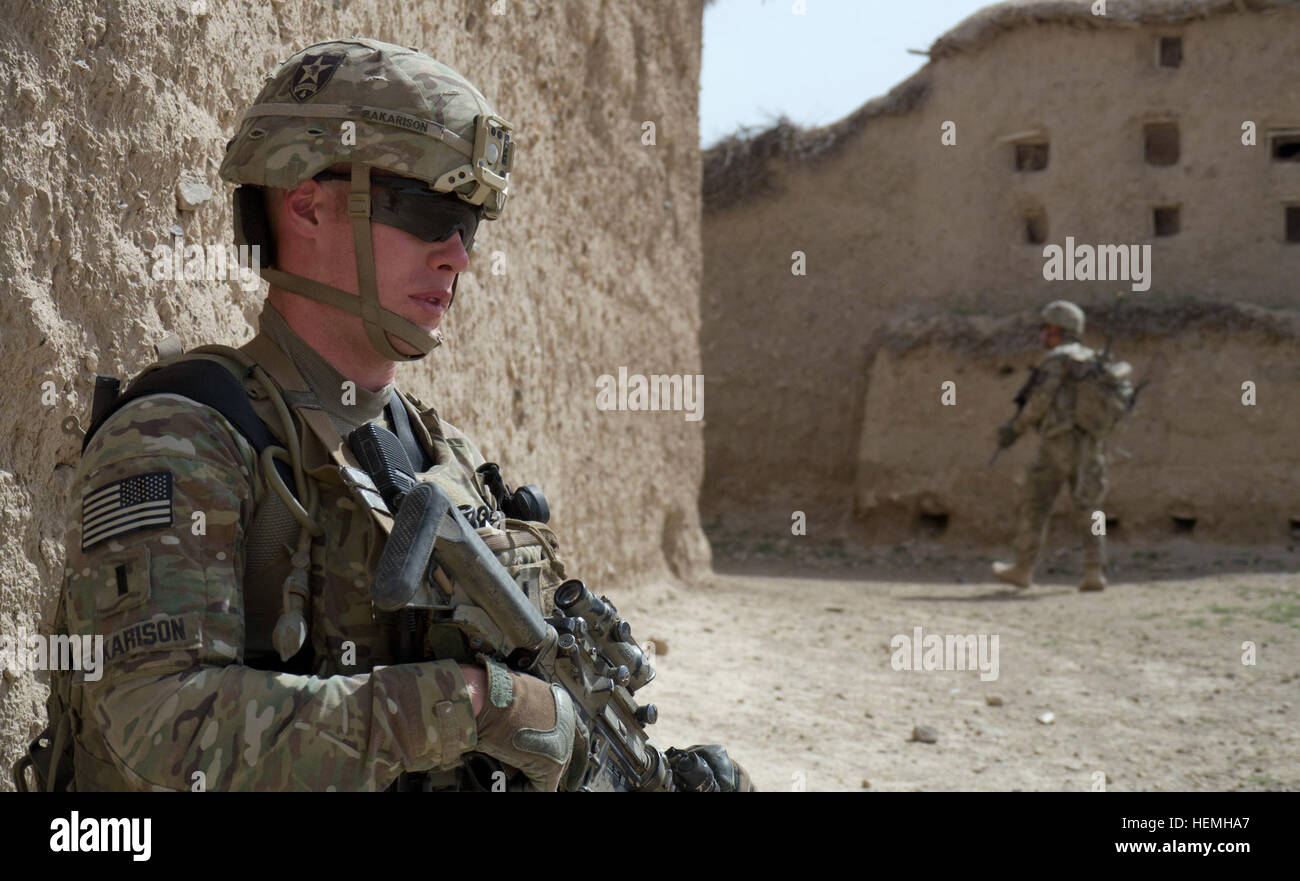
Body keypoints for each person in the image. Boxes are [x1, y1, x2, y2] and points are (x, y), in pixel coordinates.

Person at [44, 38, 751, 792]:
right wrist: (479, 707)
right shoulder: (186, 434)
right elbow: (160, 726)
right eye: (427, 211)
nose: (457, 256)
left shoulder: (439, 451)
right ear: (308, 203)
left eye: (470, 224)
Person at [991, 300, 1109, 593]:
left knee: (1036, 504)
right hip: (1090, 443)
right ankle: (1094, 571)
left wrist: (1013, 430)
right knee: (1091, 508)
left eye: (1046, 328)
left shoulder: (1057, 360)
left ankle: (1022, 568)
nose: (1043, 334)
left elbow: (1039, 402)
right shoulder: (1094, 361)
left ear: (1058, 329)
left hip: (1057, 443)